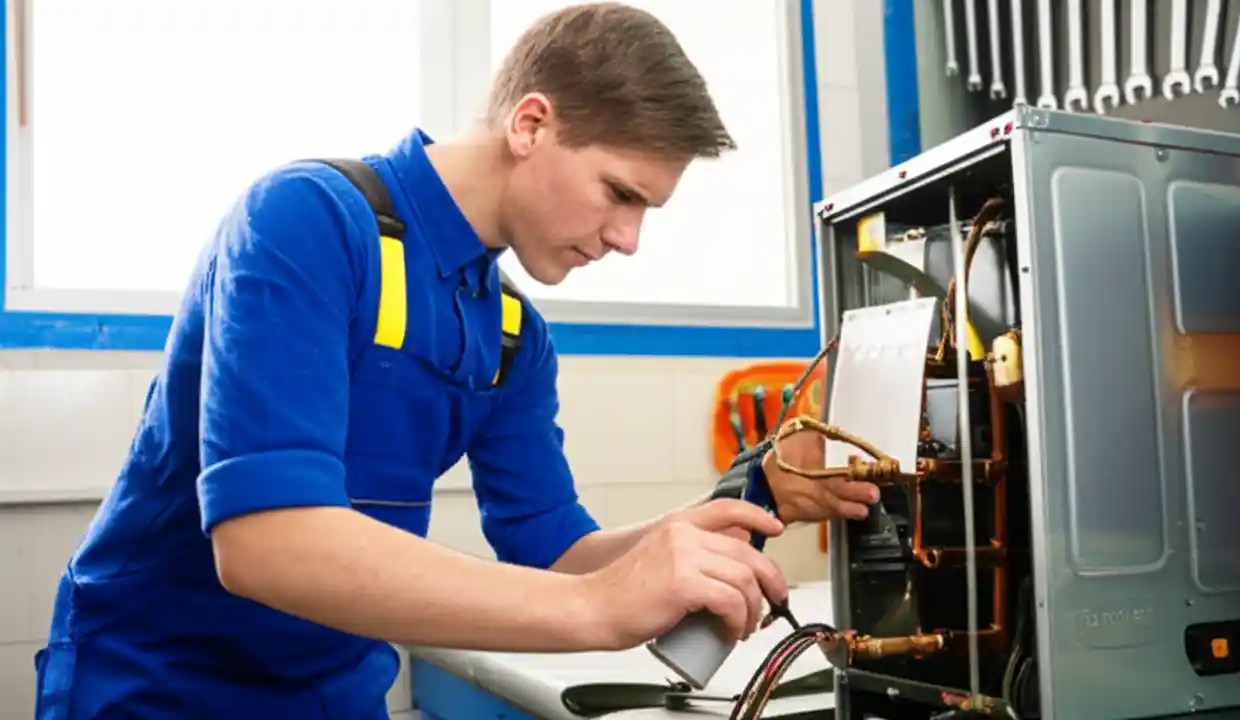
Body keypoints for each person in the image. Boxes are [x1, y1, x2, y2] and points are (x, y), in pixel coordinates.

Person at [33, 3, 881, 718]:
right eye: (621, 193)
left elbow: (553, 550)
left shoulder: (513, 334)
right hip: (157, 687)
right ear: (531, 123)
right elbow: (267, 545)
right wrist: (598, 609)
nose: (628, 239)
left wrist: (738, 505)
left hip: (331, 692)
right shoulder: (306, 222)